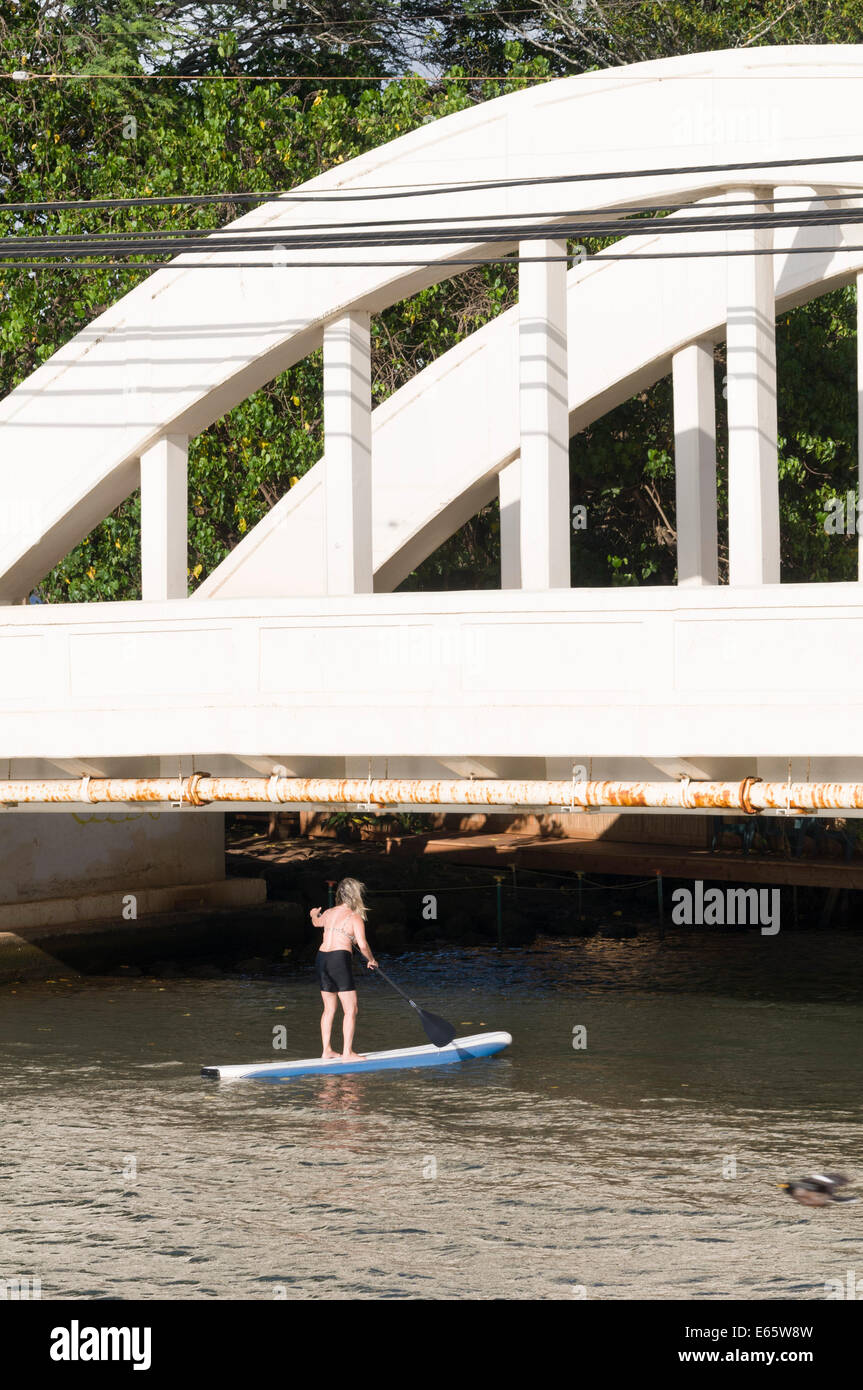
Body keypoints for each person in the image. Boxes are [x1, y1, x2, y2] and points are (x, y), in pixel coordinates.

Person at [310, 878, 377, 1061]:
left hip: (321, 958)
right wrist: (371, 960)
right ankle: (347, 1053)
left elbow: (316, 923)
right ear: (356, 896)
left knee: (329, 1008)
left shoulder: (330, 912)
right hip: (338, 959)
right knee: (351, 1008)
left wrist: (313, 914)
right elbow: (362, 944)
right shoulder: (354, 917)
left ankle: (327, 1051)